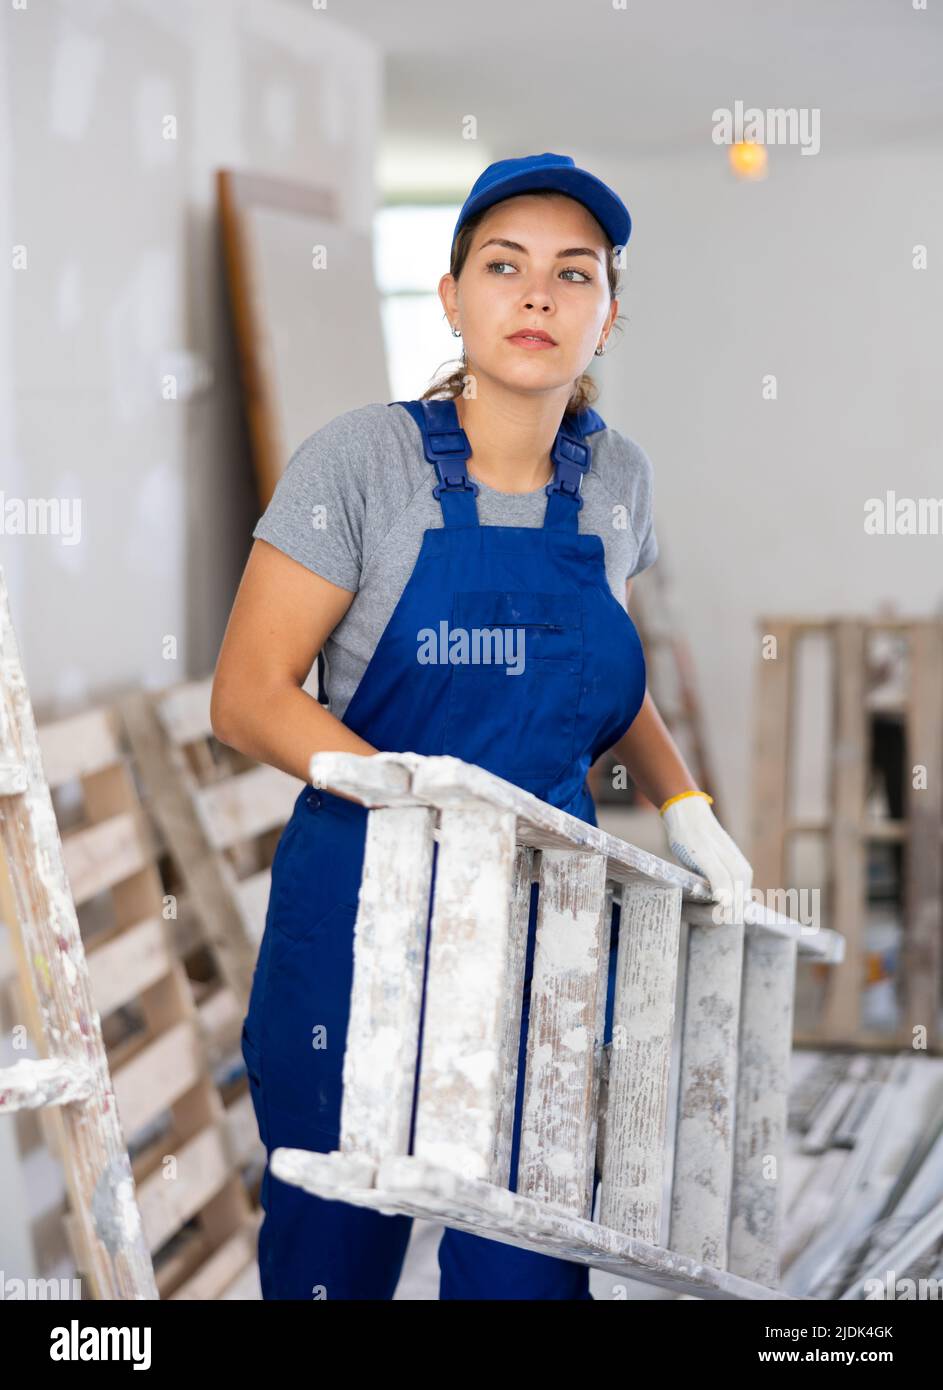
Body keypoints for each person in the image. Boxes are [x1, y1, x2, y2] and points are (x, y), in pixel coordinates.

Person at [211, 152, 753, 1300]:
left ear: (607, 316)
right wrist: (428, 811)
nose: (539, 295)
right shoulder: (360, 462)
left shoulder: (617, 480)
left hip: (543, 931)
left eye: (575, 273)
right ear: (453, 297)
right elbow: (249, 693)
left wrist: (684, 802)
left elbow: (596, 668)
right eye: (504, 267)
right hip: (362, 923)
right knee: (333, 1258)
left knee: (527, 1268)